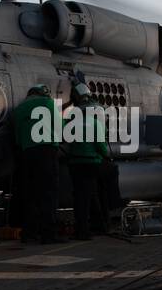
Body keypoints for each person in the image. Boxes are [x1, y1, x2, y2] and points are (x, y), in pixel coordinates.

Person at [12, 83, 62, 243]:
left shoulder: (19, 109)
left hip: (26, 153)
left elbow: (17, 136)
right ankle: (49, 235)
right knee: (48, 194)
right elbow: (59, 127)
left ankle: (29, 234)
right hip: (47, 151)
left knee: (30, 194)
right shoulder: (48, 103)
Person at [65, 85, 110, 240]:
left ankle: (84, 227)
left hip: (75, 164)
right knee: (92, 195)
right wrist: (106, 156)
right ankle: (95, 226)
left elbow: (64, 138)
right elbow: (102, 147)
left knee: (80, 197)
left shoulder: (71, 121)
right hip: (92, 164)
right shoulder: (95, 123)